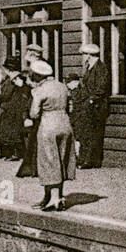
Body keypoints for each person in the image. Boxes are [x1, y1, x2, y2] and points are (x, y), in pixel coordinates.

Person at [29, 59, 76, 210]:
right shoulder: (62, 86)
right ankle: (53, 196)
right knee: (62, 159)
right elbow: (71, 106)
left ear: (37, 75)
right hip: (65, 124)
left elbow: (34, 114)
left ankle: (54, 200)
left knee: (49, 160)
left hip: (48, 126)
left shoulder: (39, 90)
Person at [75, 43, 110, 168]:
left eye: (84, 54)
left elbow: (101, 88)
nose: (83, 57)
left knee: (92, 134)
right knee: (86, 133)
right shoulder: (89, 67)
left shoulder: (101, 68)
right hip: (87, 105)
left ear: (90, 55)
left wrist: (91, 100)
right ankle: (85, 159)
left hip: (96, 107)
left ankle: (90, 161)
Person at [0, 57, 32, 161]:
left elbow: (7, 94)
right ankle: (15, 153)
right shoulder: (17, 77)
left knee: (10, 132)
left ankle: (13, 154)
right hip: (14, 107)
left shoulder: (13, 78)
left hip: (11, 108)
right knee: (13, 131)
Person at [16, 44, 44, 178]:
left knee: (33, 137)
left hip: (34, 105)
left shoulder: (38, 68)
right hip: (28, 104)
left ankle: (34, 167)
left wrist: (27, 83)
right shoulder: (32, 68)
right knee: (30, 137)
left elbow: (38, 88)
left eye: (28, 52)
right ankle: (32, 167)